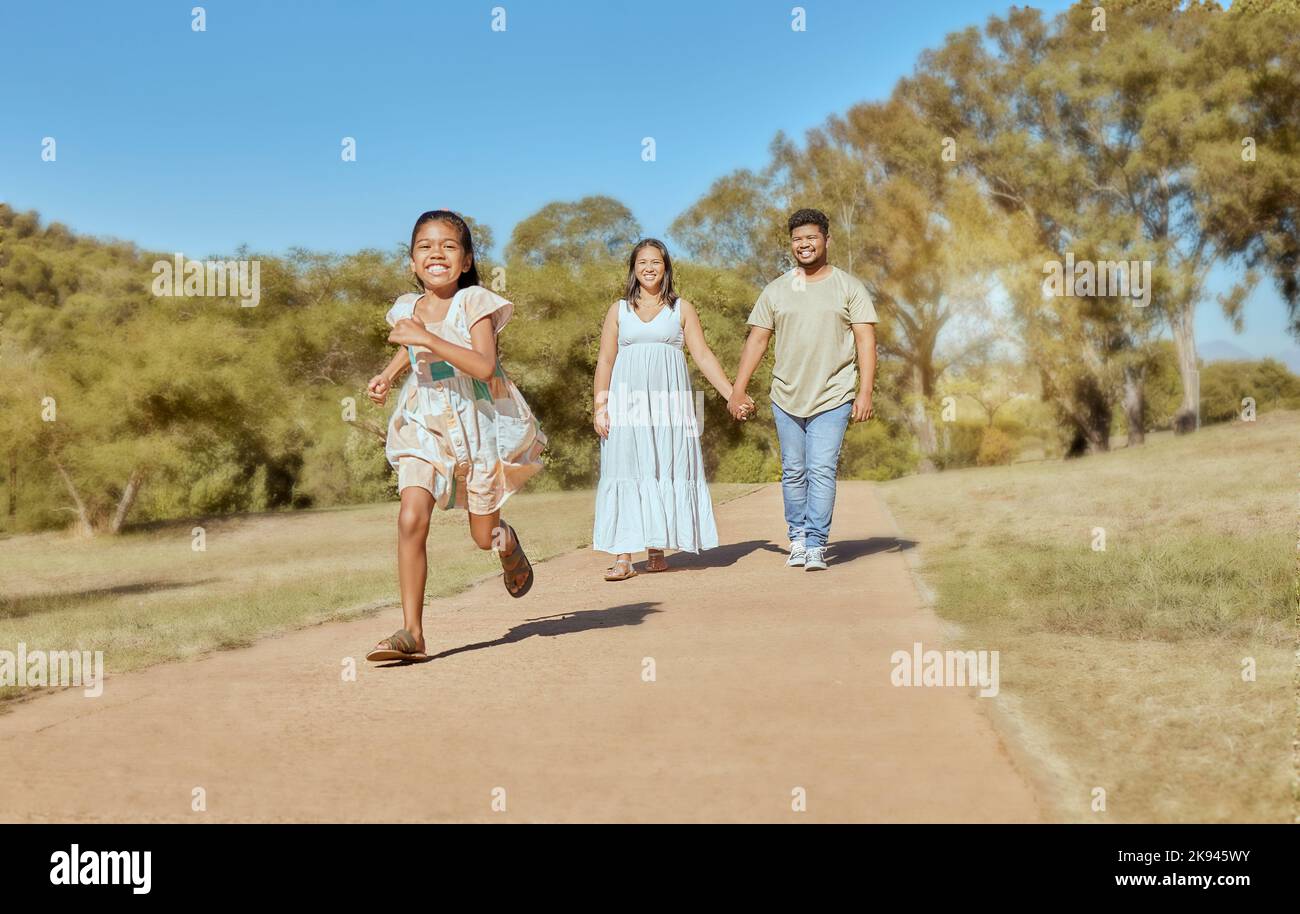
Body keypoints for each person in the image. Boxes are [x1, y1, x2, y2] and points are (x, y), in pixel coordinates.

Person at [364, 210, 546, 661]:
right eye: (425, 246)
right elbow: (413, 351)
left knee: (482, 536)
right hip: (424, 421)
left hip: (477, 422)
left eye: (448, 245)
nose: (436, 253)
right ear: (411, 262)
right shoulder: (407, 309)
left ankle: (506, 542)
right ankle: (412, 632)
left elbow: (483, 366)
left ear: (465, 260)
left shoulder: (475, 303)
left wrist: (424, 338)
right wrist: (388, 374)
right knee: (410, 516)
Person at [727, 208, 877, 572]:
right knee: (793, 471)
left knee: (821, 468)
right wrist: (737, 390)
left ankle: (815, 544)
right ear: (790, 244)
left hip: (833, 395)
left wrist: (865, 392)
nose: (804, 244)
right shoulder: (777, 289)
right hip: (786, 397)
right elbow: (757, 341)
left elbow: (866, 342)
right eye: (797, 239)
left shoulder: (848, 287)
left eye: (811, 237)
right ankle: (796, 538)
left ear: (827, 239)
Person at [591, 239, 745, 580]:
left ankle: (657, 548)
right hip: (626, 403)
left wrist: (731, 394)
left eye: (656, 262)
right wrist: (600, 406)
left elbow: (703, 356)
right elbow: (605, 359)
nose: (649, 267)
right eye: (642, 262)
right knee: (627, 468)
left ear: (666, 267)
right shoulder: (619, 310)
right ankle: (622, 557)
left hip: (669, 405)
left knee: (662, 464)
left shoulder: (682, 309)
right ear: (633, 268)